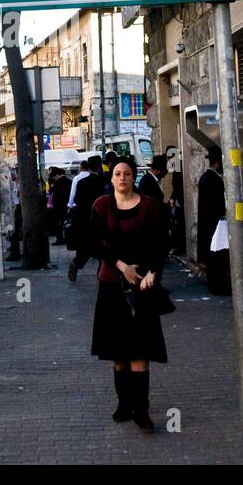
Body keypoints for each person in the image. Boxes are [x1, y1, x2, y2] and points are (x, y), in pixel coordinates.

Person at [89, 156, 170, 432]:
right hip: (112, 284)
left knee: (140, 352)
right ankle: (123, 404)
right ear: (111, 178)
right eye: (117, 174)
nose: (122, 178)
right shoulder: (101, 206)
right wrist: (122, 266)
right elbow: (96, 243)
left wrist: (152, 273)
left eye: (126, 173)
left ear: (134, 176)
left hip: (142, 287)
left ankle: (141, 411)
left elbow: (162, 243)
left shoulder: (148, 206)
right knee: (118, 354)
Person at [197, 147, 231, 296]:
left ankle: (216, 285)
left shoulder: (205, 177)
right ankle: (219, 286)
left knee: (214, 257)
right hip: (216, 224)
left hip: (208, 223)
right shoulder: (214, 180)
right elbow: (218, 204)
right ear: (217, 163)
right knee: (218, 257)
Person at [67, 157, 106, 282]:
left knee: (85, 247)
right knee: (100, 247)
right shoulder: (101, 181)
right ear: (99, 167)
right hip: (97, 218)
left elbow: (76, 200)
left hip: (82, 219)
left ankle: (77, 262)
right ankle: (102, 272)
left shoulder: (81, 182)